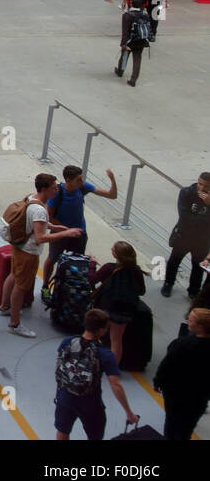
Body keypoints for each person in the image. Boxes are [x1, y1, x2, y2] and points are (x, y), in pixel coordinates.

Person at [1, 172, 82, 337]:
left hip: (18, 246)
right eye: (53, 188)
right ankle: (14, 323)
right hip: (29, 253)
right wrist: (66, 234)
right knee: (21, 286)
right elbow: (40, 237)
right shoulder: (40, 210)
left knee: (13, 276)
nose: (57, 190)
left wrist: (54, 227)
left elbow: (37, 224)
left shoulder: (32, 198)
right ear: (44, 189)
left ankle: (4, 307)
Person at [54, 309, 141, 440]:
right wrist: (129, 413)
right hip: (90, 403)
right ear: (101, 330)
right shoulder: (104, 354)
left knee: (62, 430)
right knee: (95, 436)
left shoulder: (67, 342)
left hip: (65, 396)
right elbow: (115, 385)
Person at [43, 165, 119, 289]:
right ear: (68, 180)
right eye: (78, 179)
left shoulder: (82, 187)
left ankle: (69, 288)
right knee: (52, 259)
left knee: (76, 262)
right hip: (60, 233)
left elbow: (112, 195)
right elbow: (49, 217)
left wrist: (112, 179)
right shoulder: (58, 193)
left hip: (79, 234)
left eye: (81, 178)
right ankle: (45, 286)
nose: (82, 181)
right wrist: (66, 230)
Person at [154, 307, 210, 439]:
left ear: (200, 326)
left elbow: (166, 366)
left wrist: (158, 382)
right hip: (199, 397)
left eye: (190, 320)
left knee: (171, 424)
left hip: (176, 393)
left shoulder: (181, 344)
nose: (187, 321)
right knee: (187, 428)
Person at [93, 241, 148, 369]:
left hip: (106, 307)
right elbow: (141, 291)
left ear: (116, 254)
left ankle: (94, 361)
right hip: (125, 311)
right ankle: (112, 367)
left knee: (96, 334)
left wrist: (92, 264)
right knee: (116, 340)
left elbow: (92, 279)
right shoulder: (137, 271)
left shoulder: (109, 268)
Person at [162, 173, 210, 299]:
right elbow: (184, 217)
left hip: (202, 240)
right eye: (200, 184)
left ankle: (193, 290)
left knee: (198, 266)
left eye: (206, 186)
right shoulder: (187, 193)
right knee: (174, 261)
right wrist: (204, 219)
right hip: (184, 236)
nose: (202, 188)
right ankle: (168, 283)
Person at [114, 0, 153, 87]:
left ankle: (120, 71)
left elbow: (125, 31)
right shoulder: (145, 15)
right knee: (137, 59)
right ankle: (133, 79)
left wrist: (123, 44)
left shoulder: (127, 16)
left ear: (131, 4)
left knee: (124, 56)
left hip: (130, 41)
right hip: (141, 40)